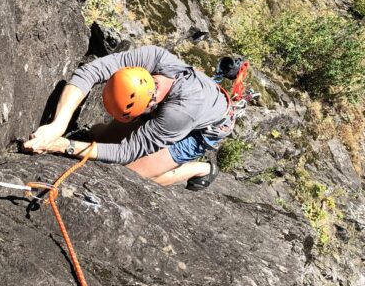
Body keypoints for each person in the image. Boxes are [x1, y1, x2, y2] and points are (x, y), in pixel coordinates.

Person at [23, 45, 236, 189]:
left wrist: (63, 146)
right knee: (100, 139)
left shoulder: (177, 114)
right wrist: (58, 125)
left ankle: (201, 168)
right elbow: (89, 72)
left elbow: (126, 152)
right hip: (185, 104)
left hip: (205, 130)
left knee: (132, 174)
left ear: (149, 107)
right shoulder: (153, 58)